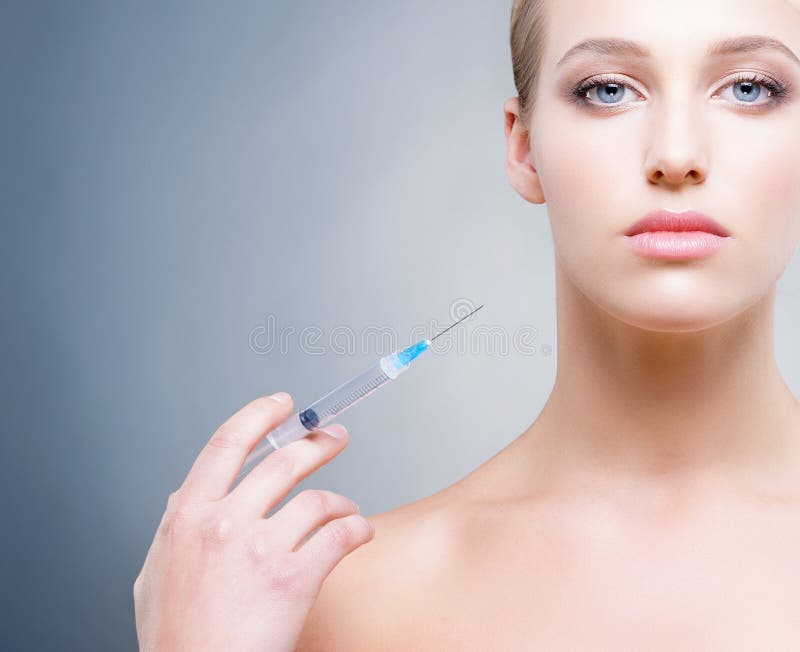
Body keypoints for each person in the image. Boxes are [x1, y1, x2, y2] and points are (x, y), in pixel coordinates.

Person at [134, 0, 800, 648]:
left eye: (749, 87)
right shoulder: (329, 601)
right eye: (608, 90)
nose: (677, 154)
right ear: (523, 147)